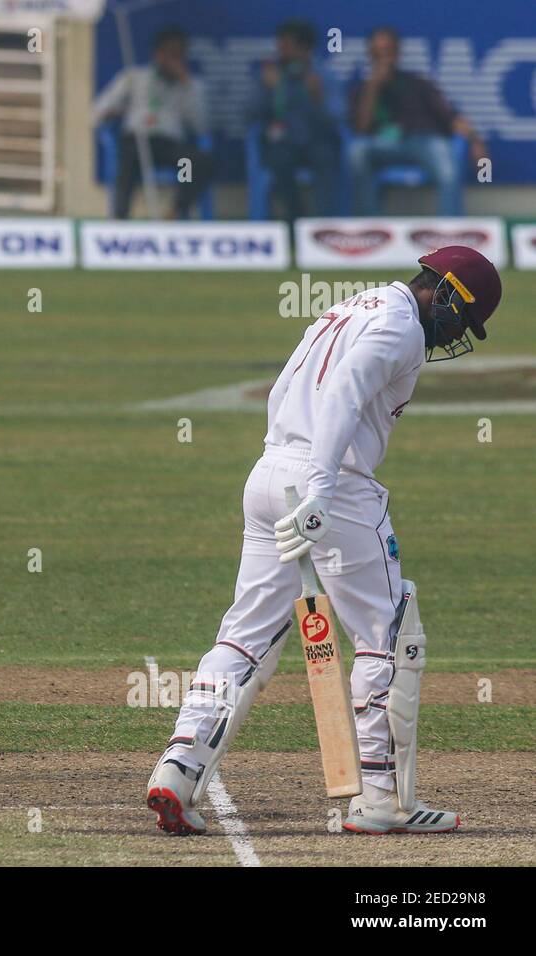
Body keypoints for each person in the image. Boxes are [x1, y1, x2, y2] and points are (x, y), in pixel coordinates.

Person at [145, 246, 501, 836]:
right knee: (387, 637)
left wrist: (286, 471)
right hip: (334, 490)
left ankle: (179, 768)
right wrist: (320, 487)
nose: (455, 335)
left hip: (268, 476)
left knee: (244, 638)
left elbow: (282, 392)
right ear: (443, 294)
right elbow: (344, 393)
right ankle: (381, 799)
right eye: (461, 320)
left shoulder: (346, 309)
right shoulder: (404, 329)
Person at [347, 26, 486, 215]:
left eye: (389, 51)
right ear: (370, 54)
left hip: (422, 140)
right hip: (381, 145)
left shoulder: (418, 84)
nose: (384, 58)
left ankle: (451, 231)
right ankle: (368, 229)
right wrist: (373, 88)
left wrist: (475, 140)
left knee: (447, 163)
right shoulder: (361, 90)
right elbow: (360, 130)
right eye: (378, 52)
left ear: (398, 53)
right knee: (356, 152)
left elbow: (451, 116)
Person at [92, 25, 212, 219]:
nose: (173, 59)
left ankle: (176, 211)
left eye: (178, 54)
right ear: (158, 54)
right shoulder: (134, 77)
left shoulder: (190, 85)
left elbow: (201, 126)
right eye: (169, 53)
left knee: (193, 162)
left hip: (170, 147)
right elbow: (98, 109)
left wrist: (186, 85)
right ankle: (119, 218)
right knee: (127, 158)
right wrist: (113, 112)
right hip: (137, 140)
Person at [249, 19, 342, 222]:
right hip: (282, 143)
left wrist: (318, 99)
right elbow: (249, 115)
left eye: (288, 47)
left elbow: (337, 119)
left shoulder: (323, 77)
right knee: (280, 161)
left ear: (305, 49)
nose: (282, 52)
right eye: (280, 46)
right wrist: (269, 91)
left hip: (317, 142)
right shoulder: (269, 76)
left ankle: (322, 226)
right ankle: (294, 223)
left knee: (327, 159)